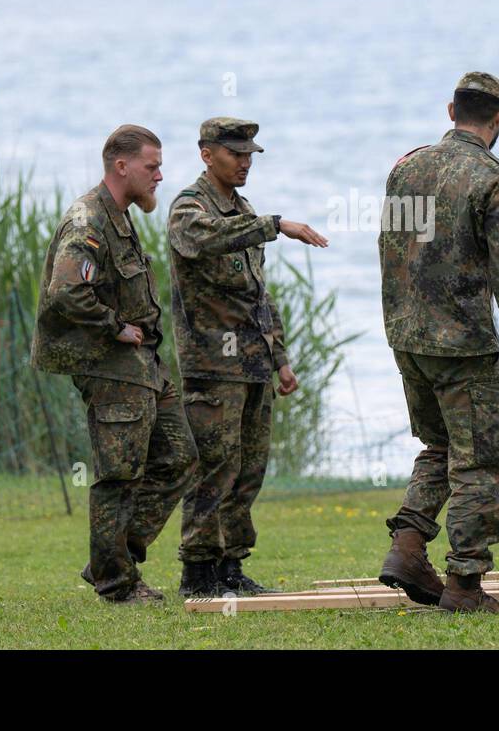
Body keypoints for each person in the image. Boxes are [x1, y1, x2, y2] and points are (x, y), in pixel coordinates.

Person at [376, 72, 499, 613]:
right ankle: (465, 585)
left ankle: (407, 549)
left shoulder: (405, 168)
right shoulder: (496, 180)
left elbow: (390, 249)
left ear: (452, 111)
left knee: (440, 446)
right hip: (463, 346)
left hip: (407, 336)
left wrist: (401, 322)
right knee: (479, 463)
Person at [32, 125, 198, 603]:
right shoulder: (88, 220)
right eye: (152, 166)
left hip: (141, 365)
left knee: (180, 457)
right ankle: (116, 583)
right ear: (121, 166)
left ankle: (111, 556)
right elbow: (66, 290)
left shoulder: (119, 216)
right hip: (108, 365)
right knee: (119, 473)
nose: (160, 176)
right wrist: (114, 325)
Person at [166, 117, 327, 597]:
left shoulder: (243, 210)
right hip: (213, 365)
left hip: (253, 363)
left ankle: (231, 566)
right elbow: (208, 238)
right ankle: (198, 571)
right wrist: (276, 225)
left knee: (248, 470)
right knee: (214, 467)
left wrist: (281, 358)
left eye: (249, 155)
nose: (244, 163)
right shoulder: (188, 209)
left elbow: (258, 294)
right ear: (206, 154)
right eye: (235, 154)